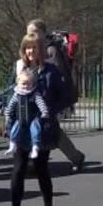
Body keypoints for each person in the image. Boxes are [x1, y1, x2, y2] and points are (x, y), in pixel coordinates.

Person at [9, 44, 70, 206]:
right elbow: (11, 95)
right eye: (27, 48)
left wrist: (49, 112)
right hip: (21, 129)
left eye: (34, 48)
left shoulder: (50, 70)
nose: (30, 52)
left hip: (41, 128)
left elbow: (65, 96)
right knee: (18, 170)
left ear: (41, 51)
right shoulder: (20, 68)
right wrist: (10, 120)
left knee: (41, 168)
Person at [22, 21, 85, 173]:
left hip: (47, 98)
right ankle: (74, 156)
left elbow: (58, 76)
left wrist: (56, 101)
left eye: (35, 31)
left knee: (51, 131)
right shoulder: (32, 49)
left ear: (43, 32)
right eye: (29, 31)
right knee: (40, 129)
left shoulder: (50, 50)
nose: (32, 35)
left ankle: (74, 157)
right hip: (34, 97)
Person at [5, 69, 49, 159]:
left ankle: (35, 147)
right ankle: (12, 144)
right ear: (18, 83)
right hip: (20, 118)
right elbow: (11, 105)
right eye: (23, 84)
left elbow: (41, 103)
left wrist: (44, 112)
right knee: (14, 129)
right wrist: (8, 113)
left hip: (33, 118)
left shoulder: (35, 94)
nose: (26, 86)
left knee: (36, 130)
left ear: (33, 84)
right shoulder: (17, 94)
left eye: (29, 84)